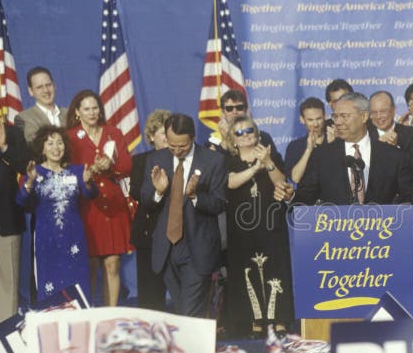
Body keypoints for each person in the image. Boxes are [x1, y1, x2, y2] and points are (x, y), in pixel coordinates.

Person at [141, 113, 227, 317]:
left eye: (183, 146)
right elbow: (145, 200)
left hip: (197, 248)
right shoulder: (156, 159)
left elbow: (219, 202)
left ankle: (195, 347)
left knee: (190, 310)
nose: (177, 151)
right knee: (182, 311)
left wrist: (195, 196)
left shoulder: (213, 161)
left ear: (193, 137)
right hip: (166, 249)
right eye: (172, 146)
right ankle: (194, 346)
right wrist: (159, 191)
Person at [291, 92, 413, 206]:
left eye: (344, 116)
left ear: (364, 117)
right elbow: (304, 199)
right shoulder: (322, 156)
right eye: (335, 116)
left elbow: (411, 192)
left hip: (382, 233)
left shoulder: (392, 155)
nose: (337, 122)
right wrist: (290, 196)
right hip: (336, 234)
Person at [224, 116, 293, 337]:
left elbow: (281, 182)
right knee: (247, 270)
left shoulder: (272, 156)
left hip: (271, 222)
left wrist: (268, 163)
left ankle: (279, 320)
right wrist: (256, 168)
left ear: (257, 132)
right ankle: (255, 321)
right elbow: (230, 182)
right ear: (233, 139)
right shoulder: (227, 161)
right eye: (240, 133)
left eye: (249, 130)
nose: (246, 135)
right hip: (241, 226)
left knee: (276, 268)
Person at [65, 90, 132, 307]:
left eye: (95, 108)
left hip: (113, 205)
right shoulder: (70, 137)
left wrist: (110, 166)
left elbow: (127, 166)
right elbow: (67, 170)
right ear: (77, 112)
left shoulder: (114, 132)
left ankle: (109, 316)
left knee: (113, 263)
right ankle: (89, 315)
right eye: (87, 109)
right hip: (87, 207)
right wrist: (91, 169)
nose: (93, 113)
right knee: (90, 265)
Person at [17, 126, 96, 298]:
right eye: (50, 143)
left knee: (78, 286)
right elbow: (21, 201)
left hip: (74, 238)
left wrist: (88, 182)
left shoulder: (76, 171)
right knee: (50, 290)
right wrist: (29, 182)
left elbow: (91, 194)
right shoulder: (34, 172)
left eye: (59, 143)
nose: (56, 148)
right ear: (42, 148)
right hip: (47, 240)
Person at [0, 87, 30, 326]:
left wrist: (4, 149)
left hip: (6, 215)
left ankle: (4, 339)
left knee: (8, 282)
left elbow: (25, 166)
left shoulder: (12, 134)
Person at [129, 109, 170, 311]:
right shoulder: (140, 161)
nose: (168, 137)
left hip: (178, 232)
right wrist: (157, 191)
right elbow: (135, 191)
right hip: (149, 231)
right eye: (163, 132)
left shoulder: (184, 159)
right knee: (150, 292)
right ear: (152, 136)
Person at [367, 90, 413, 184]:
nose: (378, 116)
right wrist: (378, 146)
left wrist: (396, 147)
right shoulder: (365, 136)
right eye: (374, 112)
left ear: (393, 110)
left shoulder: (412, 134)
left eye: (383, 111)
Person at [284, 97, 334, 184]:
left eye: (319, 119)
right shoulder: (295, 146)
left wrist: (333, 146)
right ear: (302, 120)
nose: (315, 124)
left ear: (325, 116)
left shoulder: (335, 141)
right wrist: (308, 150)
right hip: (307, 197)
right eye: (310, 120)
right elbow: (295, 178)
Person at [15, 67, 67, 143]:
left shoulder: (70, 113)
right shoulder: (24, 118)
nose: (46, 90)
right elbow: (34, 145)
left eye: (48, 85)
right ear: (31, 91)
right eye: (39, 87)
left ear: (54, 86)